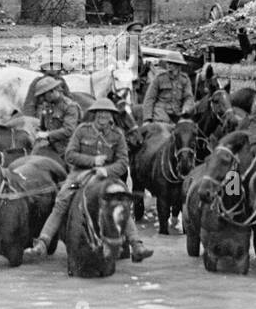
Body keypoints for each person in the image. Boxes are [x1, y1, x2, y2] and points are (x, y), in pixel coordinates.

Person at [27, 98, 153, 262]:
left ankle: (136, 244)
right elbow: (69, 155)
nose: (102, 116)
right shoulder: (81, 130)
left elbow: (123, 162)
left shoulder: (118, 135)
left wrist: (106, 170)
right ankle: (43, 242)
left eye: (106, 113)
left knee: (122, 201)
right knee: (62, 199)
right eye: (99, 112)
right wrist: (92, 162)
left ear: (111, 116)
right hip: (80, 175)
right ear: (94, 114)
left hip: (108, 178)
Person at [32, 78, 80, 165]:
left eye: (44, 95)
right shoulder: (47, 106)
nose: (43, 99)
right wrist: (37, 131)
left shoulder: (70, 106)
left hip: (66, 149)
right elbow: (42, 126)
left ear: (53, 91)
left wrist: (47, 135)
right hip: (50, 147)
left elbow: (68, 130)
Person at [142, 54, 194, 123]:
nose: (169, 65)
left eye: (172, 63)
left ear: (178, 66)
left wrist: (186, 109)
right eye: (168, 63)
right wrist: (147, 118)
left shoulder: (184, 79)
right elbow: (149, 98)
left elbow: (188, 97)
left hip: (177, 115)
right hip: (160, 115)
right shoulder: (159, 78)